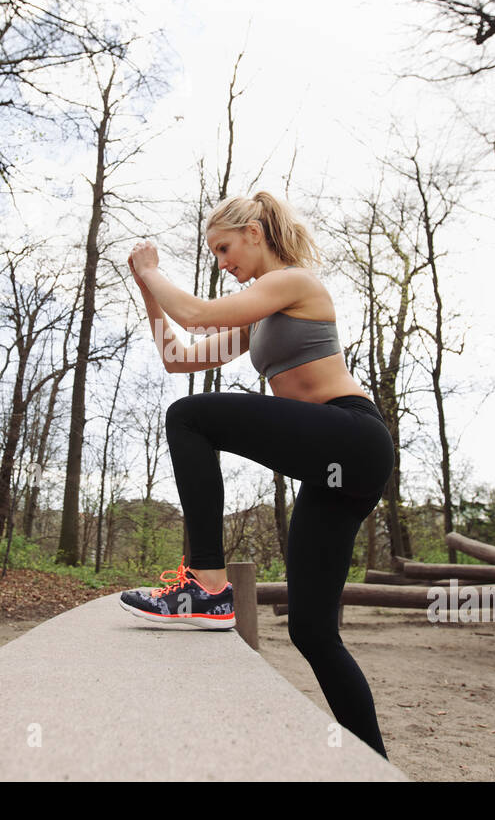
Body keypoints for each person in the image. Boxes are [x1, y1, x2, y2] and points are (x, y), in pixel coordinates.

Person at [118, 190, 395, 759]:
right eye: (214, 255)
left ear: (254, 232)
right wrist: (149, 291)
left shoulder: (295, 283)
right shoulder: (260, 314)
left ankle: (210, 590)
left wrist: (154, 269)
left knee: (191, 418)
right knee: (312, 632)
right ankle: (376, 766)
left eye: (224, 248)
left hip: (353, 434)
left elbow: (193, 312)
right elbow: (179, 354)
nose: (222, 262)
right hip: (333, 471)